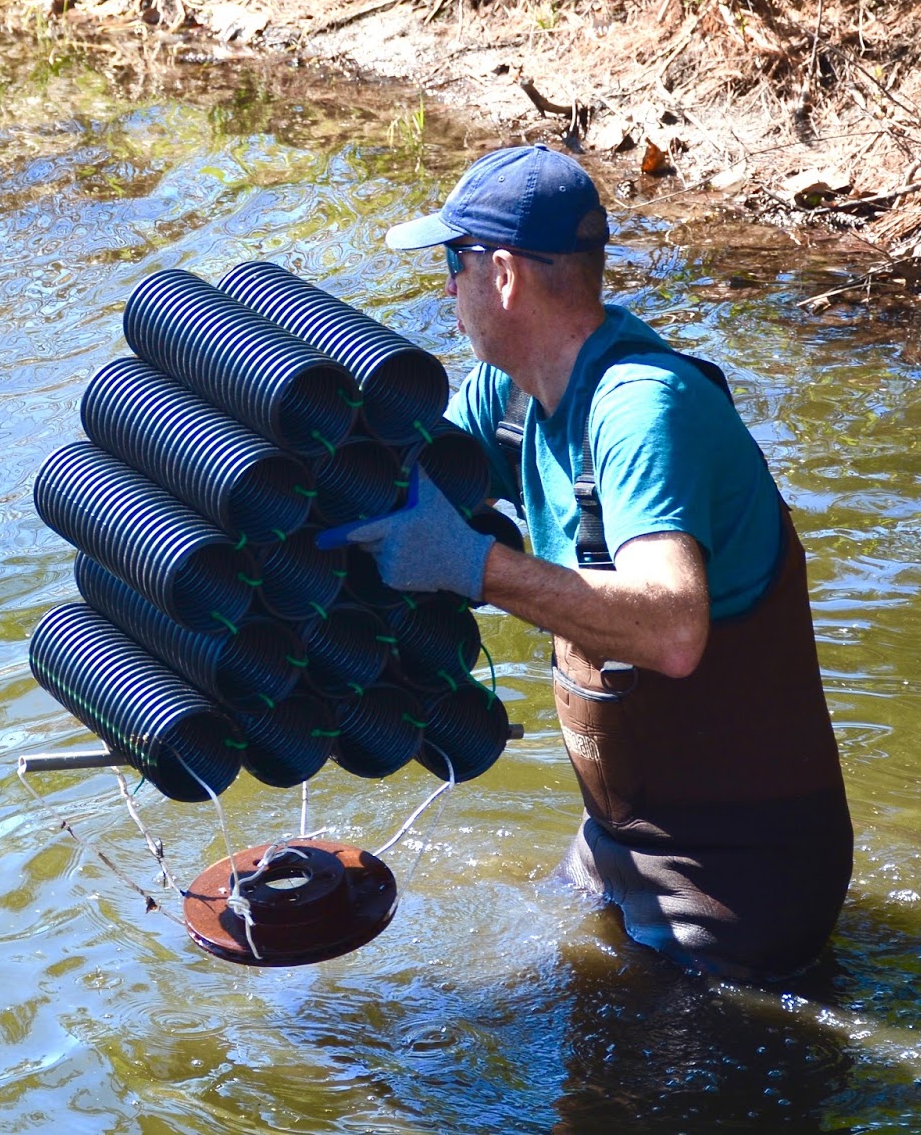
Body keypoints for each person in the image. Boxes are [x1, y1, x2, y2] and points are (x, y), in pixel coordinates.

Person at [343, 144, 852, 980]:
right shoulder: (511, 393)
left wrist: (476, 565)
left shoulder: (643, 410)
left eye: (452, 261)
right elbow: (390, 483)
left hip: (737, 879)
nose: (446, 288)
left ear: (501, 274)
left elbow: (672, 627)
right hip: (618, 843)